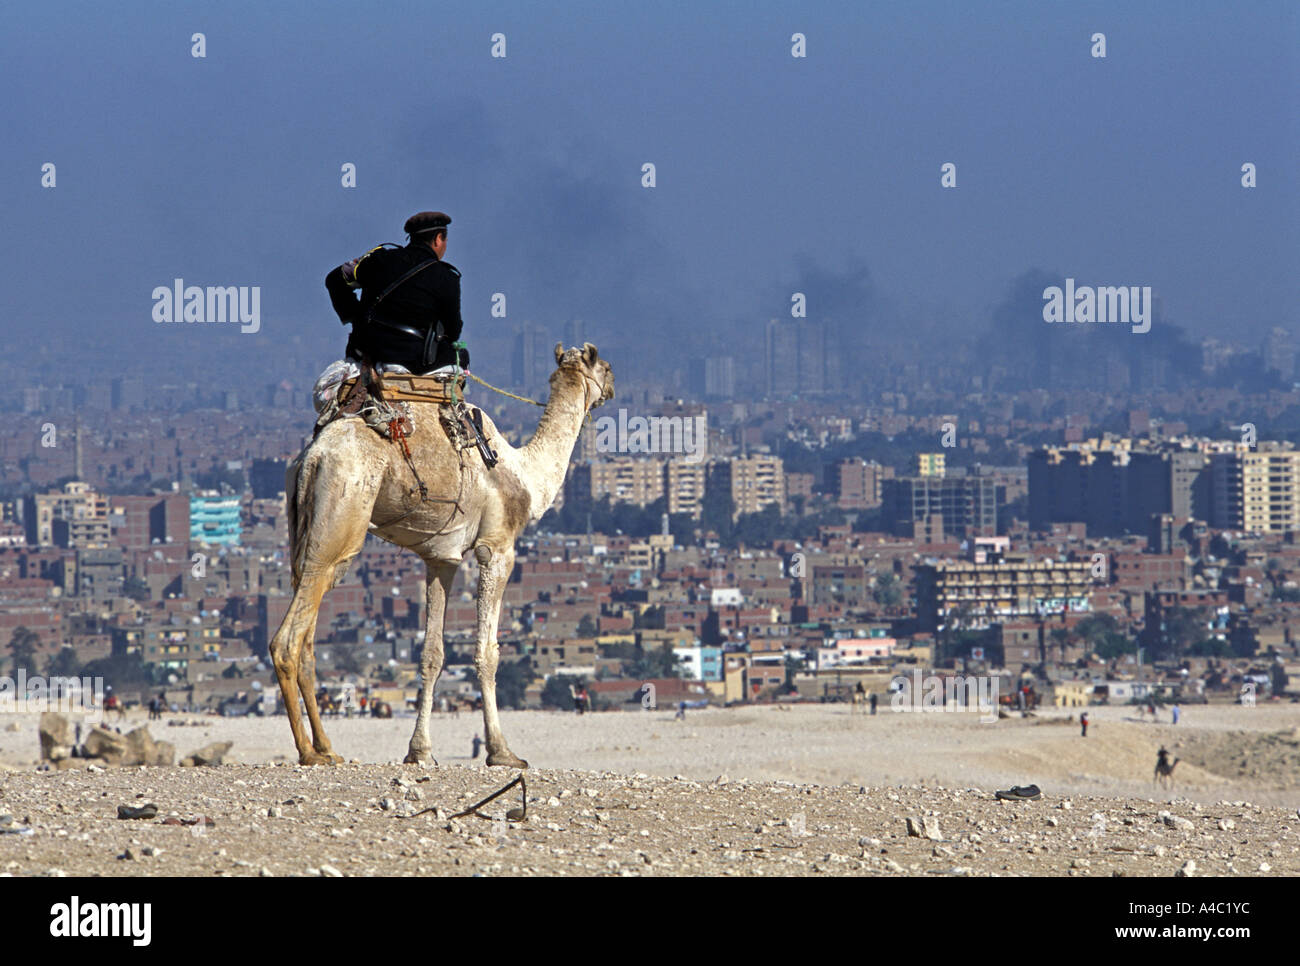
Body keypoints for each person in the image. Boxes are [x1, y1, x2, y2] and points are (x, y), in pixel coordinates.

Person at [325, 211, 467, 374]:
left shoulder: (378, 259)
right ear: (438, 239)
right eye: (445, 240)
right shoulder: (447, 278)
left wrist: (356, 317)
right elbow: (453, 331)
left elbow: (335, 279)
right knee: (461, 357)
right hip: (415, 359)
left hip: (368, 349)